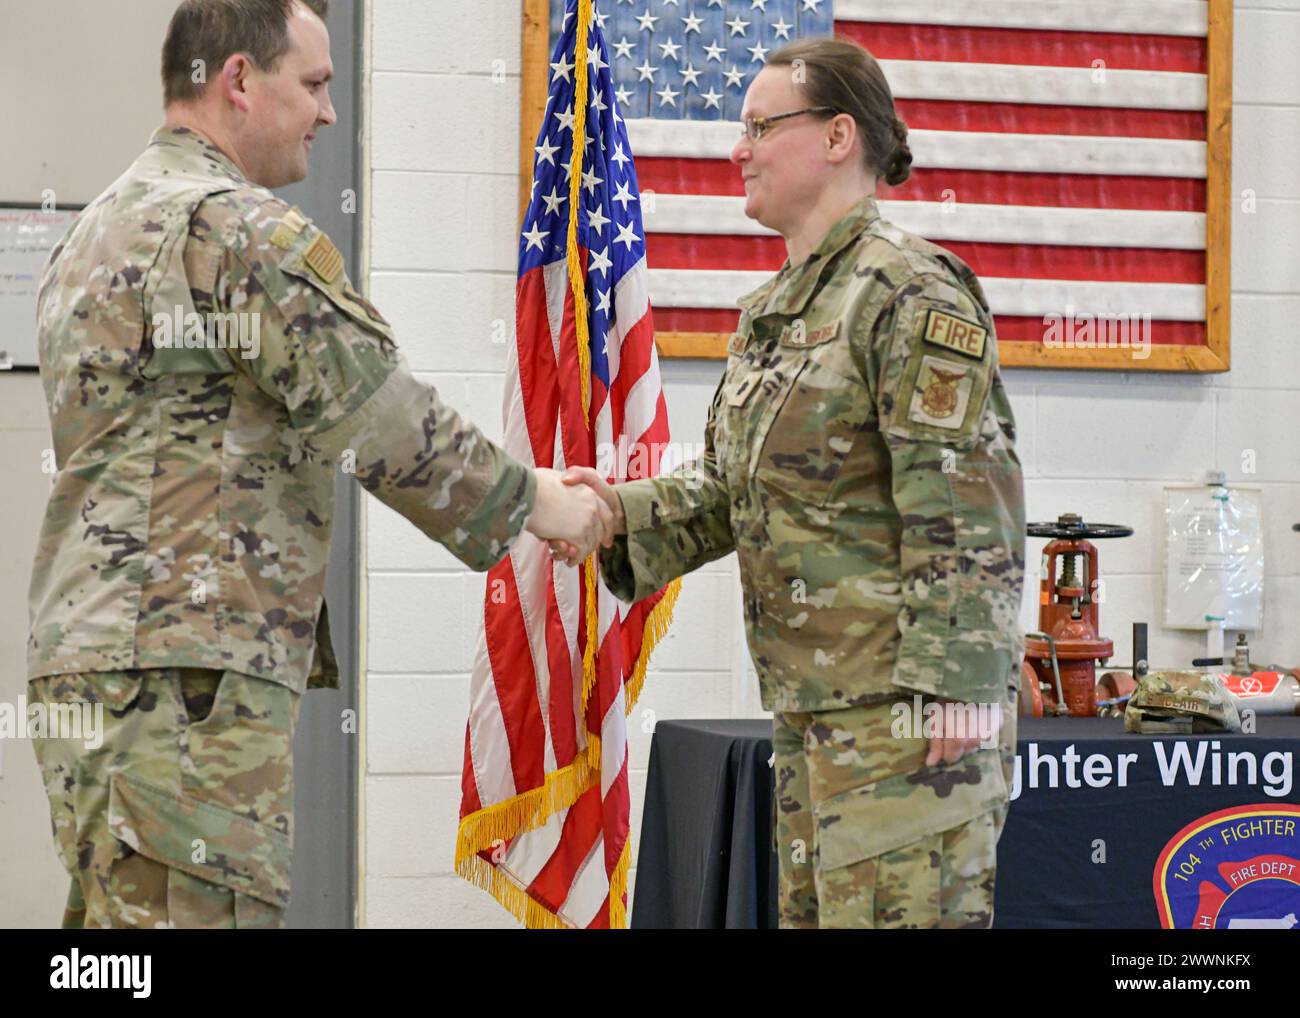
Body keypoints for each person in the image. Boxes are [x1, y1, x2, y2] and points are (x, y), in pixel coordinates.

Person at [26, 0, 613, 929]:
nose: (327, 113)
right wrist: (535, 500)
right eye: (313, 84)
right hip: (191, 681)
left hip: (95, 665)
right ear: (236, 82)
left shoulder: (91, 233)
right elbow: (376, 413)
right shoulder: (234, 231)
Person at [557, 37, 1025, 928]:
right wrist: (611, 512)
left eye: (760, 126)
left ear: (840, 135)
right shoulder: (784, 309)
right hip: (816, 715)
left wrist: (958, 692)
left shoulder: (909, 292)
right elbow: (737, 490)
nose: (739, 149)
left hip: (907, 723)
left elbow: (965, 508)